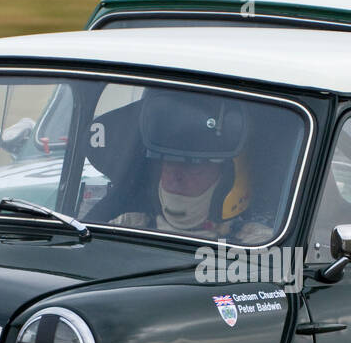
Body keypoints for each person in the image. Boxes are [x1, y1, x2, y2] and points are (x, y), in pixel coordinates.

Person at [110, 89, 274, 245]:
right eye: (168, 164)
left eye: (193, 166)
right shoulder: (124, 227)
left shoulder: (259, 246)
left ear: (228, 179)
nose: (176, 178)